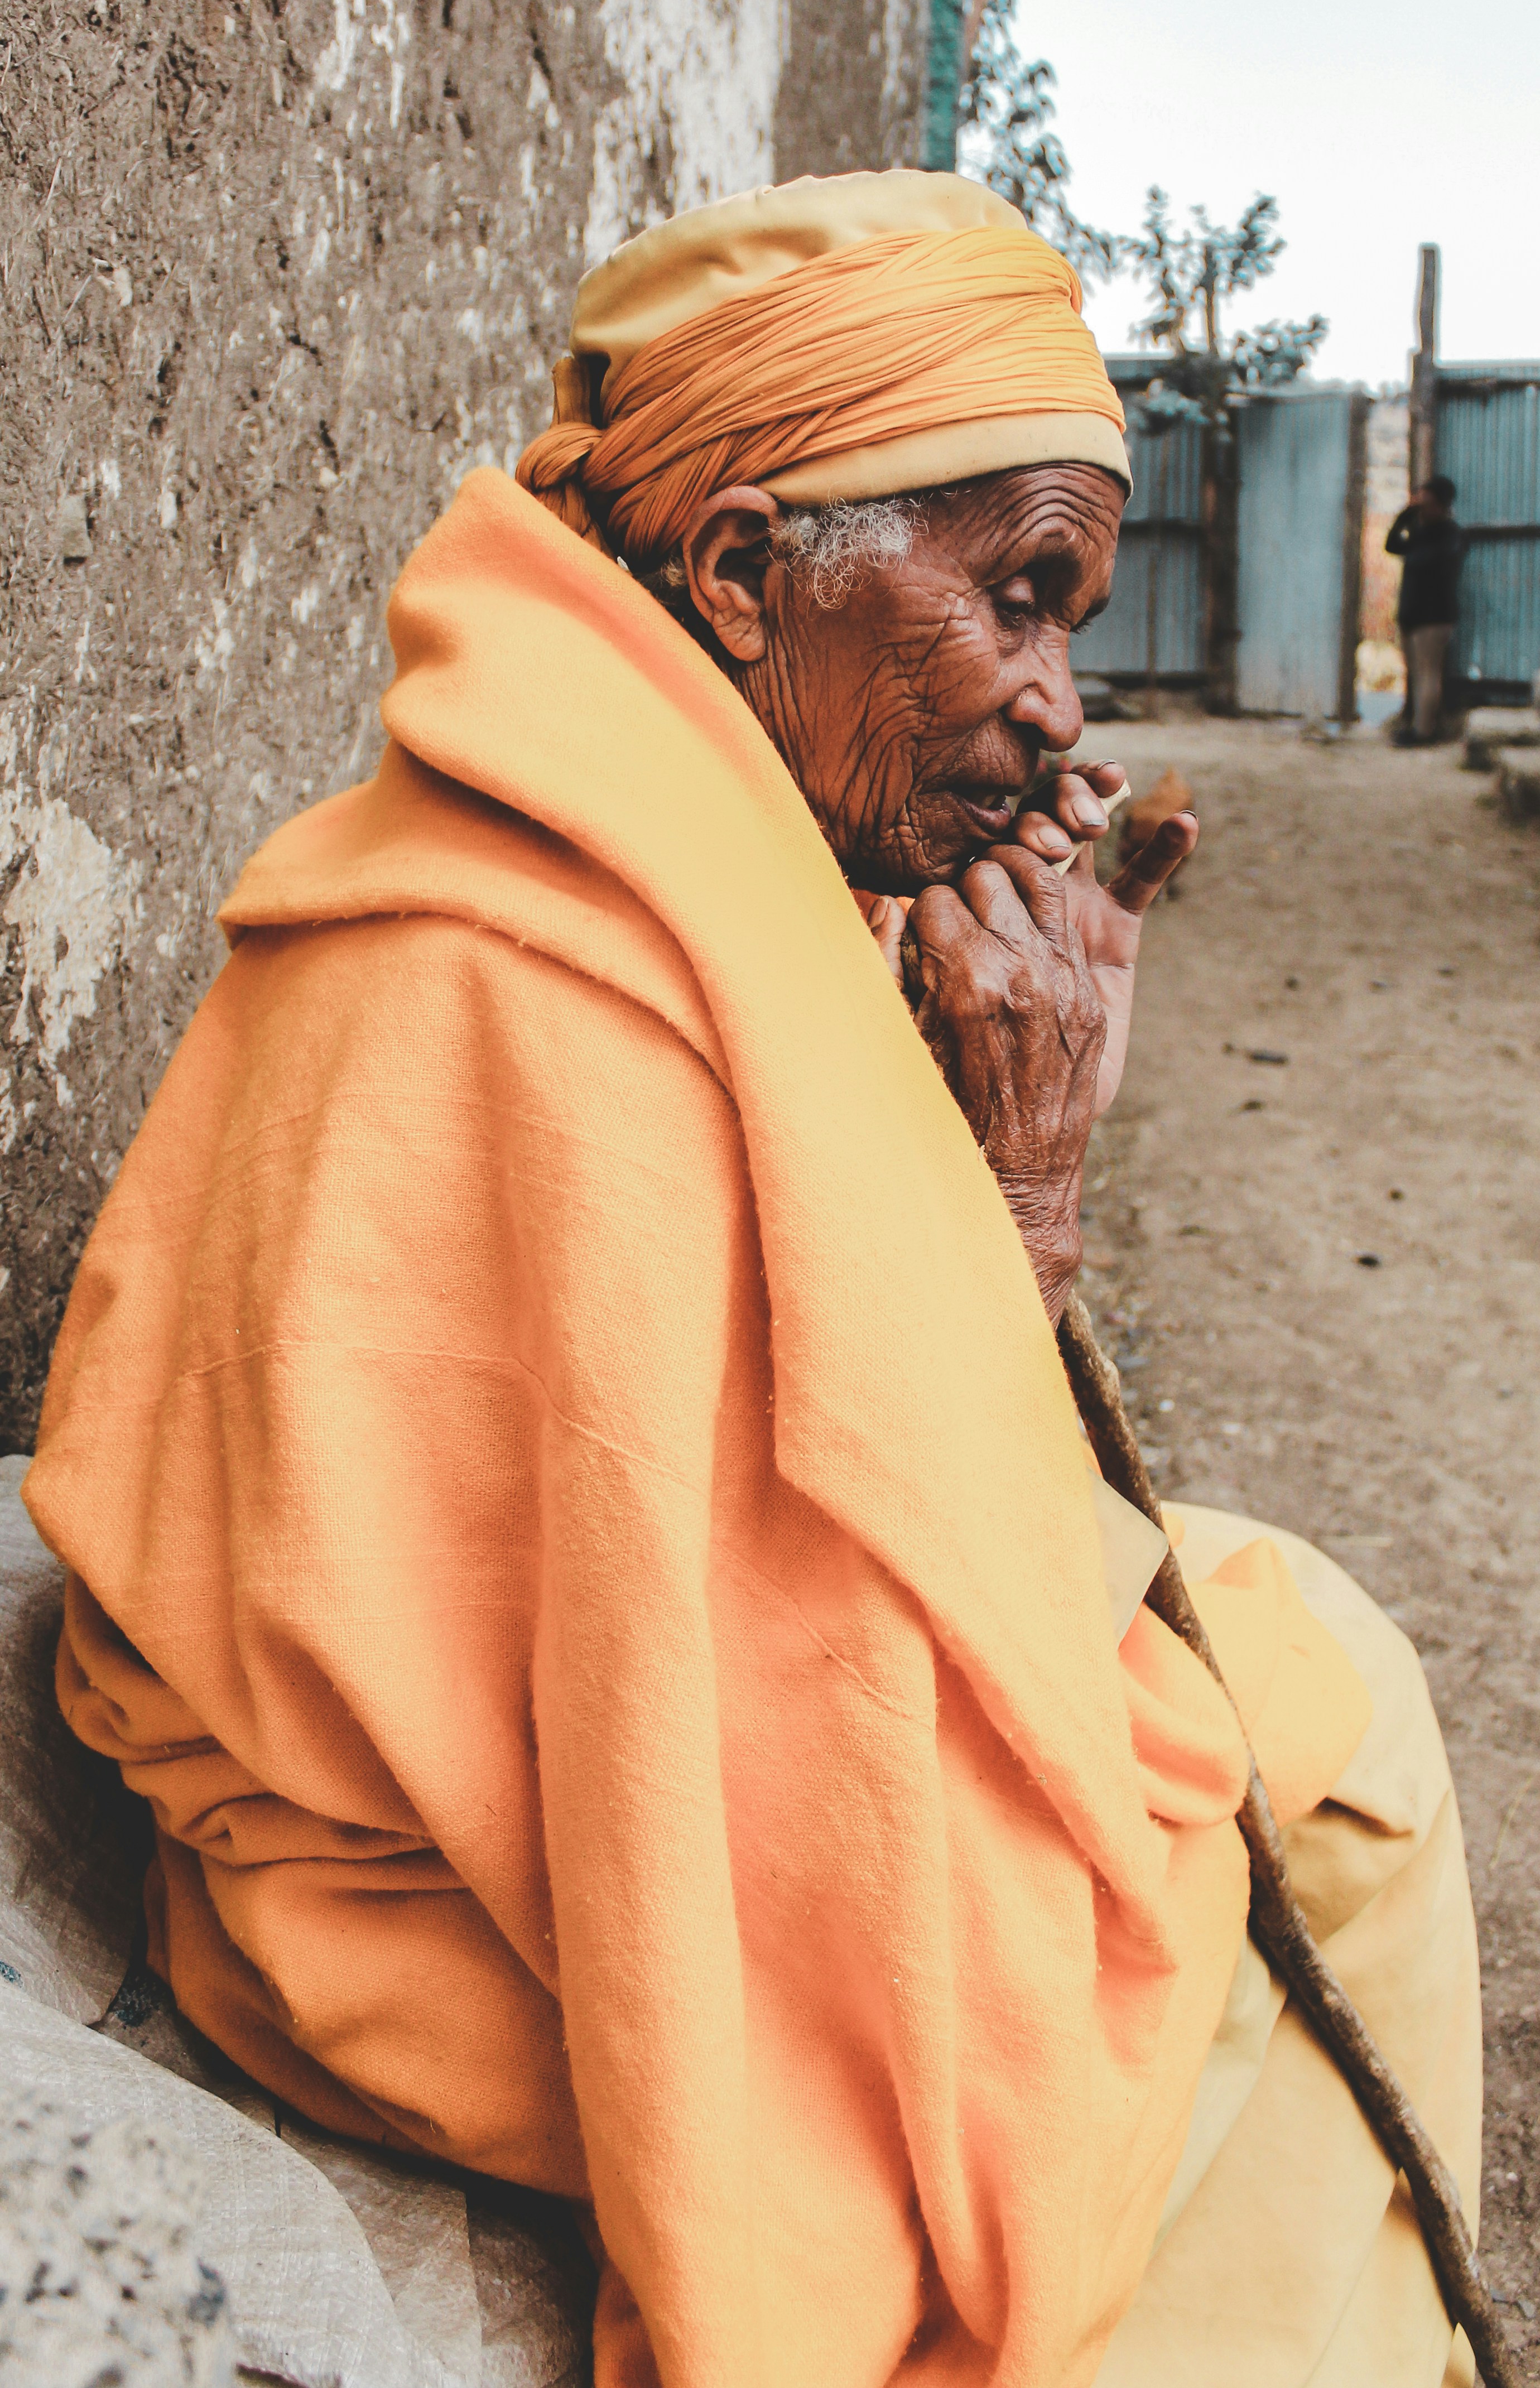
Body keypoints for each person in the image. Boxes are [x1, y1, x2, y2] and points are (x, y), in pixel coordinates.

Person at [25, 175, 1479, 2387]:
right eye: (1015, 598)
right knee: (1316, 1779)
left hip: (583, 1752)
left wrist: (975, 1110)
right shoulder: (573, 998)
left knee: (1291, 1649)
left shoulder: (623, 851)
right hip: (430, 1939)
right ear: (733, 576)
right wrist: (1030, 1188)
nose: (1053, 706)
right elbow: (795, 1727)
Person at [1388, 474, 1465, 743]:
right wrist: (1406, 515)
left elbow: (1428, 562)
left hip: (1434, 616)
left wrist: (1415, 527)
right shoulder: (1419, 531)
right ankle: (1416, 725)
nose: (1424, 509)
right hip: (1413, 613)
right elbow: (1392, 545)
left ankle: (1424, 732)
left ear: (1442, 505)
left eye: (1428, 503)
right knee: (1416, 674)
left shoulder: (1450, 533)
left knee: (1428, 674)